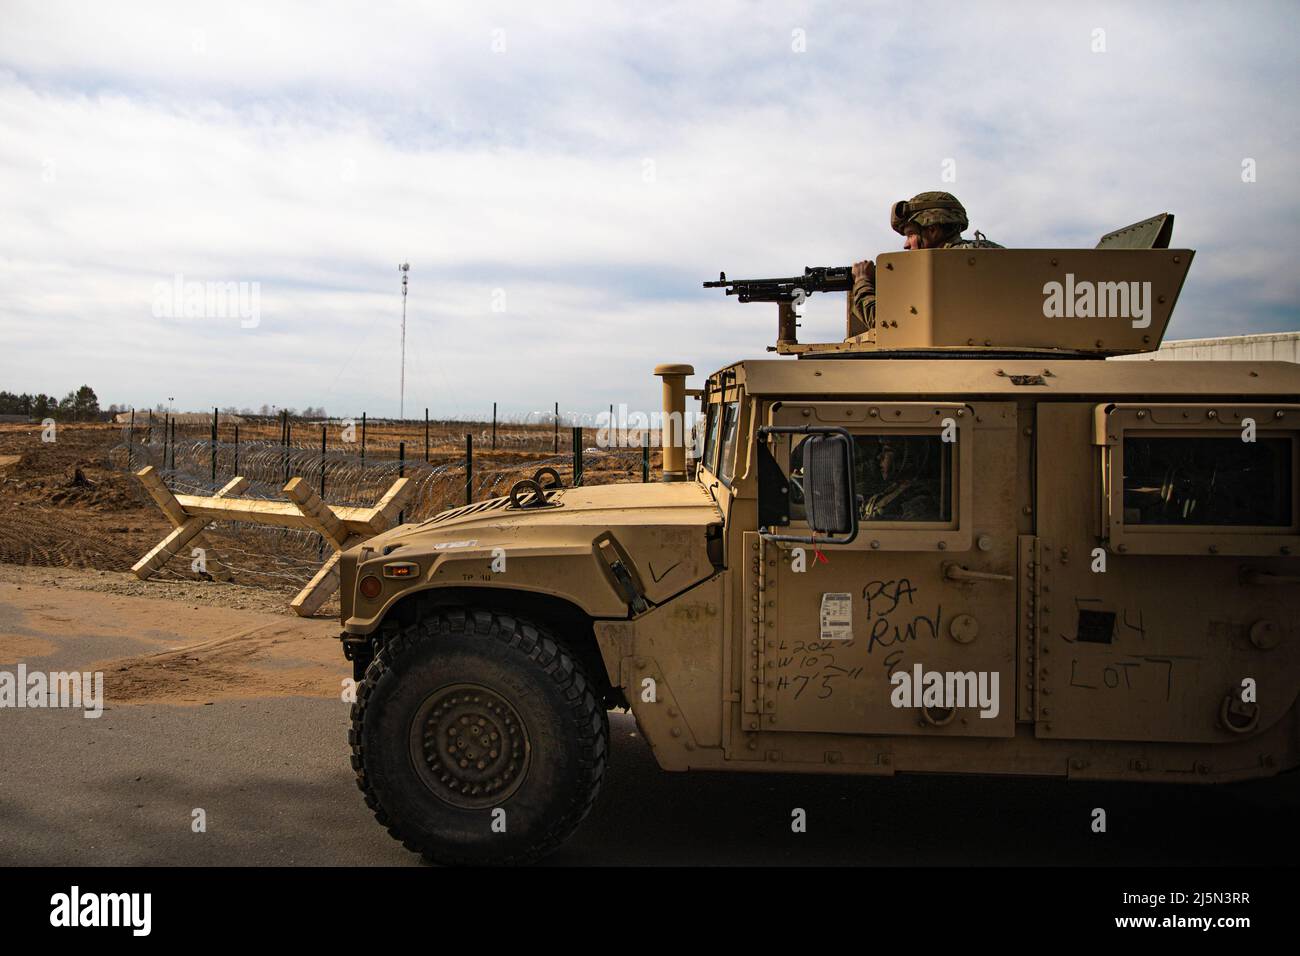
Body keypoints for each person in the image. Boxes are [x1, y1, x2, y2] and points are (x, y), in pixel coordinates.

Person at [847, 191, 1003, 337]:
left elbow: (884, 322)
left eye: (910, 235)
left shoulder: (932, 272)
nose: (906, 245)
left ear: (932, 230)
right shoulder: (992, 255)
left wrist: (862, 281)